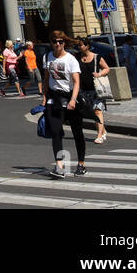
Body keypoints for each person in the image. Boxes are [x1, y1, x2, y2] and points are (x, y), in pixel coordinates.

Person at [41, 31, 87, 177]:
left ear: (64, 43)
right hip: (54, 99)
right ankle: (59, 166)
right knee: (56, 133)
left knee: (77, 132)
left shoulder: (71, 59)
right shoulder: (47, 57)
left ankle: (81, 164)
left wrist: (73, 100)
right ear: (51, 42)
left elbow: (76, 82)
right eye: (55, 41)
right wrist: (44, 97)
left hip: (70, 98)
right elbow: (46, 78)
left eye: (60, 41)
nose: (58, 44)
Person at [77, 38, 110, 144]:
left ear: (87, 46)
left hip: (96, 90)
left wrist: (99, 74)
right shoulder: (77, 57)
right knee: (91, 113)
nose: (79, 47)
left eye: (81, 45)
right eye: (78, 45)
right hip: (84, 90)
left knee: (97, 111)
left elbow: (106, 68)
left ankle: (99, 135)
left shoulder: (96, 57)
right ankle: (103, 131)